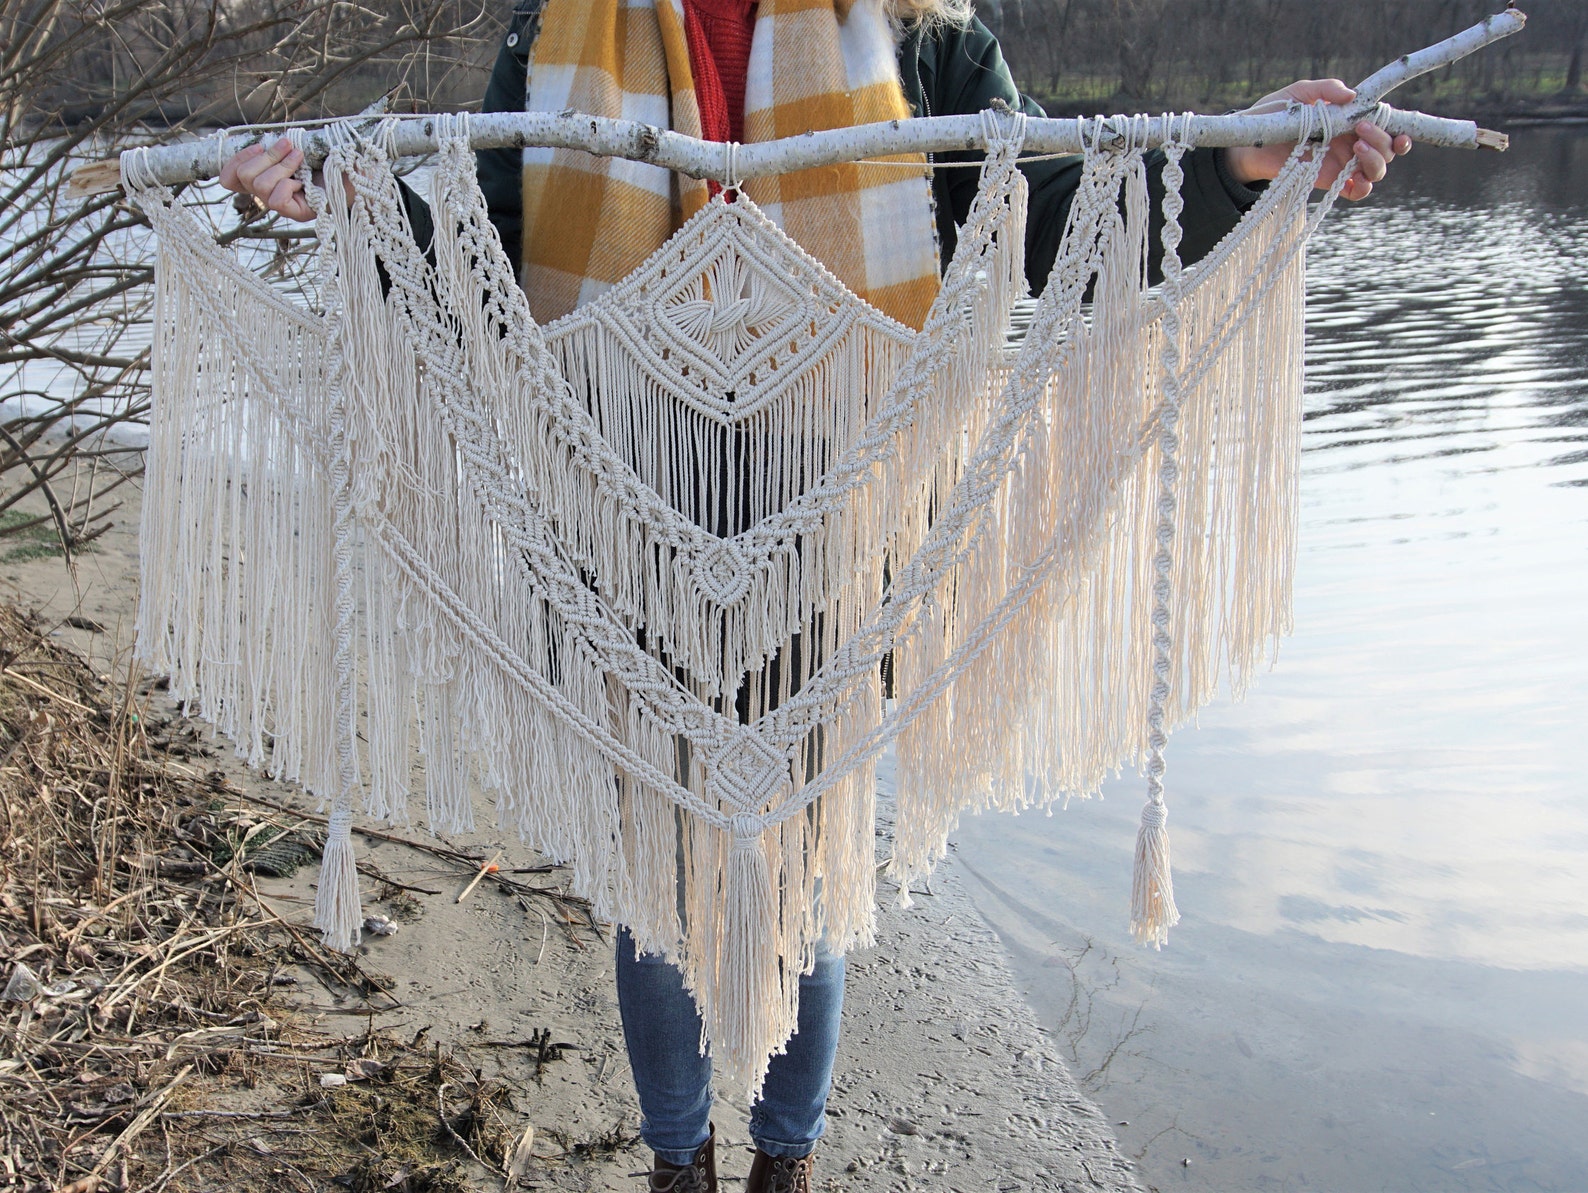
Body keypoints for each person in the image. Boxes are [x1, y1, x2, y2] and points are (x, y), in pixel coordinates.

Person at [219, 3, 1408, 1190]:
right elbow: (476, 252)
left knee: (801, 848)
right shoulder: (559, 37)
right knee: (655, 864)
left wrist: (1231, 165)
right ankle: (677, 1162)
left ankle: (784, 1165)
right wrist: (351, 204)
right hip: (625, 501)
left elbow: (1052, 219)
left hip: (839, 501)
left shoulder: (924, 38)